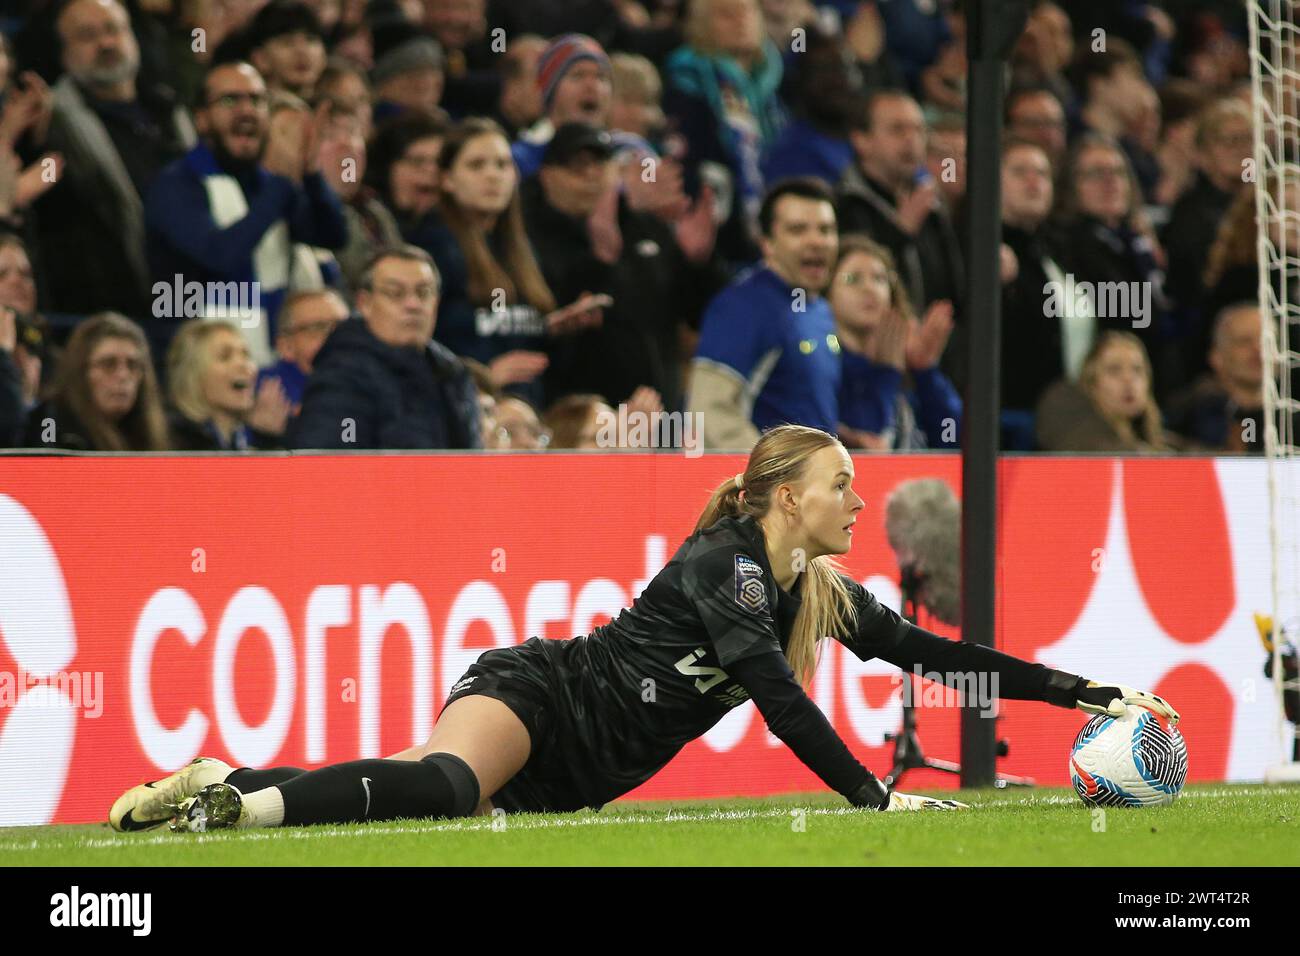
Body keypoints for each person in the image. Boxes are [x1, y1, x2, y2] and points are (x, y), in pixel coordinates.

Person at [108, 423, 1180, 831]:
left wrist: (1087, 692)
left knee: (410, 791)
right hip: (545, 695)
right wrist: (870, 797)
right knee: (438, 786)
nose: (860, 502)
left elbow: (941, 656)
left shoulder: (820, 588)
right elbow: (774, 694)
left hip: (584, 773)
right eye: (840, 484)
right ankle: (230, 815)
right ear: (779, 494)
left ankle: (230, 773)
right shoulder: (726, 567)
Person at [144, 61, 347, 365]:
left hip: (271, 357)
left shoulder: (268, 186)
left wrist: (311, 172)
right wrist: (282, 182)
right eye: (230, 100)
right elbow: (221, 255)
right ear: (201, 119)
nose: (246, 110)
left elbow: (332, 235)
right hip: (195, 363)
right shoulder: (177, 184)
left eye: (256, 100)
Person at [26, 0, 193, 320]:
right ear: (64, 53)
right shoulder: (52, 131)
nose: (105, 43)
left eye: (113, 30)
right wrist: (36, 146)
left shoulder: (172, 112)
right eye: (87, 36)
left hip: (189, 295)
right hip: (114, 308)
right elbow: (48, 201)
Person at [687, 177, 839, 450]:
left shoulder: (821, 309)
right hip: (770, 489)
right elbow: (708, 413)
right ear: (767, 243)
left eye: (826, 230)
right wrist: (772, 480)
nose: (817, 241)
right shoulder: (741, 307)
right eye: (798, 230)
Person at [289, 245, 482, 450]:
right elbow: (330, 468)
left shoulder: (452, 373)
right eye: (395, 293)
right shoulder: (341, 377)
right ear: (365, 303)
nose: (413, 304)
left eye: (423, 292)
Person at [836, 91, 963, 314]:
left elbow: (956, 294)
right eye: (897, 129)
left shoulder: (931, 206)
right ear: (861, 140)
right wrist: (899, 233)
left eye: (918, 130)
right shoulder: (843, 206)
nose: (911, 139)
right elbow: (849, 282)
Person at [829, 235, 960, 450]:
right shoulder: (823, 364)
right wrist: (885, 373)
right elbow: (865, 450)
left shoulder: (908, 360)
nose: (869, 288)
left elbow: (953, 440)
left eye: (880, 279)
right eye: (852, 279)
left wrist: (926, 372)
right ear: (828, 292)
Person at [20, 311, 169, 451]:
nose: (123, 375)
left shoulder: (153, 434)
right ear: (80, 371)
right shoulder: (50, 424)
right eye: (108, 364)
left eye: (133, 365)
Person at [1036, 331, 1177, 453]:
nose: (1128, 380)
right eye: (1114, 369)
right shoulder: (1072, 429)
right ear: (1092, 383)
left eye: (1137, 370)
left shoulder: (1163, 442)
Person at [166, 319, 292, 451]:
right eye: (225, 357)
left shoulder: (245, 441)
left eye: (246, 355)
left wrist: (265, 439)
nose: (245, 365)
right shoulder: (174, 442)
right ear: (191, 374)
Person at [1166, 302, 1264, 454]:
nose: (1258, 349)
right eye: (1244, 341)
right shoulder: (1185, 415)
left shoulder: (1292, 416)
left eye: (1266, 341)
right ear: (1216, 357)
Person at [256, 287, 348, 409]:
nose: (335, 336)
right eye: (317, 328)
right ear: (286, 347)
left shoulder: (371, 379)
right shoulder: (262, 392)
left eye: (341, 326)